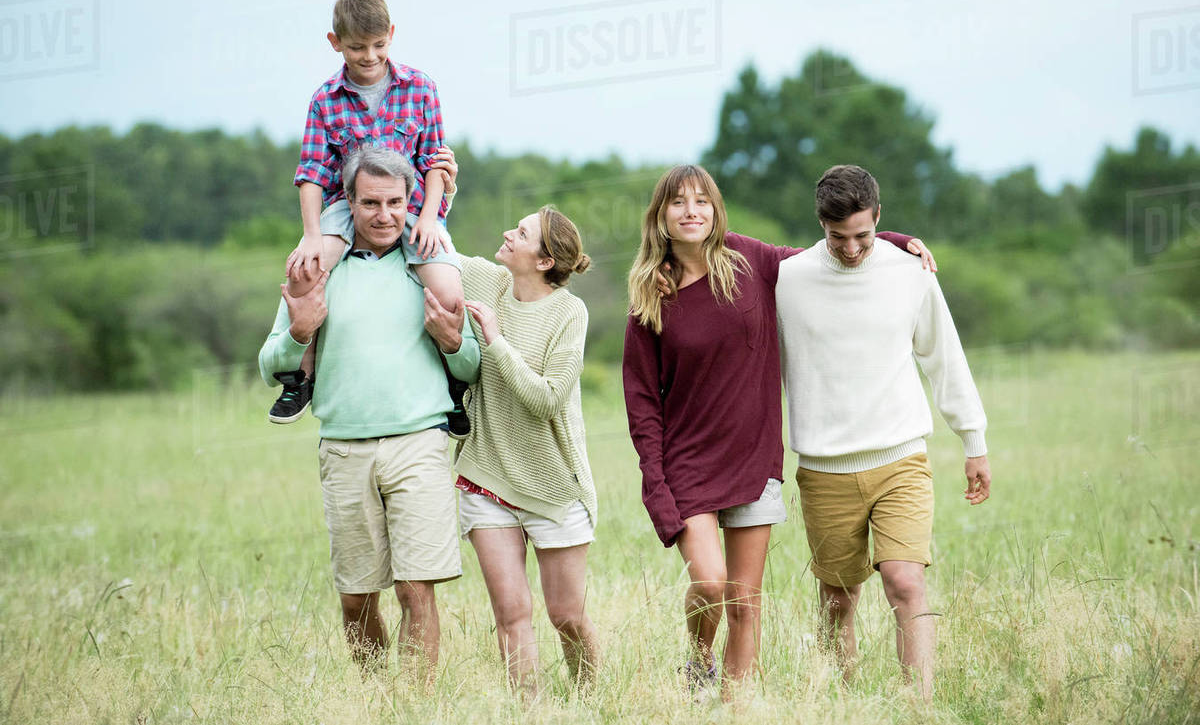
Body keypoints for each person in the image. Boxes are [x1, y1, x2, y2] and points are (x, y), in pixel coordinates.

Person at [621, 164, 932, 698]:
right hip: (688, 465)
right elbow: (642, 402)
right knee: (711, 584)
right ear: (661, 217)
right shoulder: (652, 296)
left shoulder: (751, 261)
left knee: (745, 600)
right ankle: (697, 664)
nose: (691, 210)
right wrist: (655, 482)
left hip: (754, 459)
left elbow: (823, 258)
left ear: (716, 210)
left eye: (702, 200)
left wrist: (895, 241)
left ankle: (735, 705)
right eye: (678, 203)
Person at [258, 146, 480, 681]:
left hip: (418, 443)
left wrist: (453, 342)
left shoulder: (431, 267)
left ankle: (415, 708)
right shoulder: (318, 270)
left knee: (415, 587)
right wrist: (300, 331)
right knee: (357, 598)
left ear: (410, 203)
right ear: (348, 205)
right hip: (344, 447)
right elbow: (270, 364)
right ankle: (372, 698)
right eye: (371, 203)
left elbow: (471, 367)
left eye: (396, 202)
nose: (384, 215)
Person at [776, 164, 991, 702]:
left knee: (905, 581)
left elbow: (945, 358)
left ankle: (918, 703)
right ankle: (842, 702)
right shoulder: (789, 278)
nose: (851, 249)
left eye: (864, 235)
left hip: (901, 459)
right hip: (824, 469)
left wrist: (974, 441)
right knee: (837, 598)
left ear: (880, 219)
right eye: (837, 237)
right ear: (820, 224)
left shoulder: (911, 270)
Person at [269, 0, 468, 438]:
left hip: (413, 205)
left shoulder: (420, 87)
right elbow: (312, 173)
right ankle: (298, 377)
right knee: (305, 271)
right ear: (335, 42)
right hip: (349, 207)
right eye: (358, 47)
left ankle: (454, 385)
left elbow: (436, 163)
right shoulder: (325, 100)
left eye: (379, 45)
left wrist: (431, 218)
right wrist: (311, 233)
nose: (370, 55)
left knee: (448, 290)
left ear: (391, 35)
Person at [453, 204, 600, 693]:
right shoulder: (488, 282)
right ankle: (529, 713)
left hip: (554, 486)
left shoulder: (568, 312)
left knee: (566, 616)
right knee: (512, 613)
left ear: (543, 261)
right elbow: (438, 247)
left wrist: (494, 340)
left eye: (520, 233)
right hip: (486, 475)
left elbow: (547, 398)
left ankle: (591, 701)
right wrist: (441, 192)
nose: (507, 234)